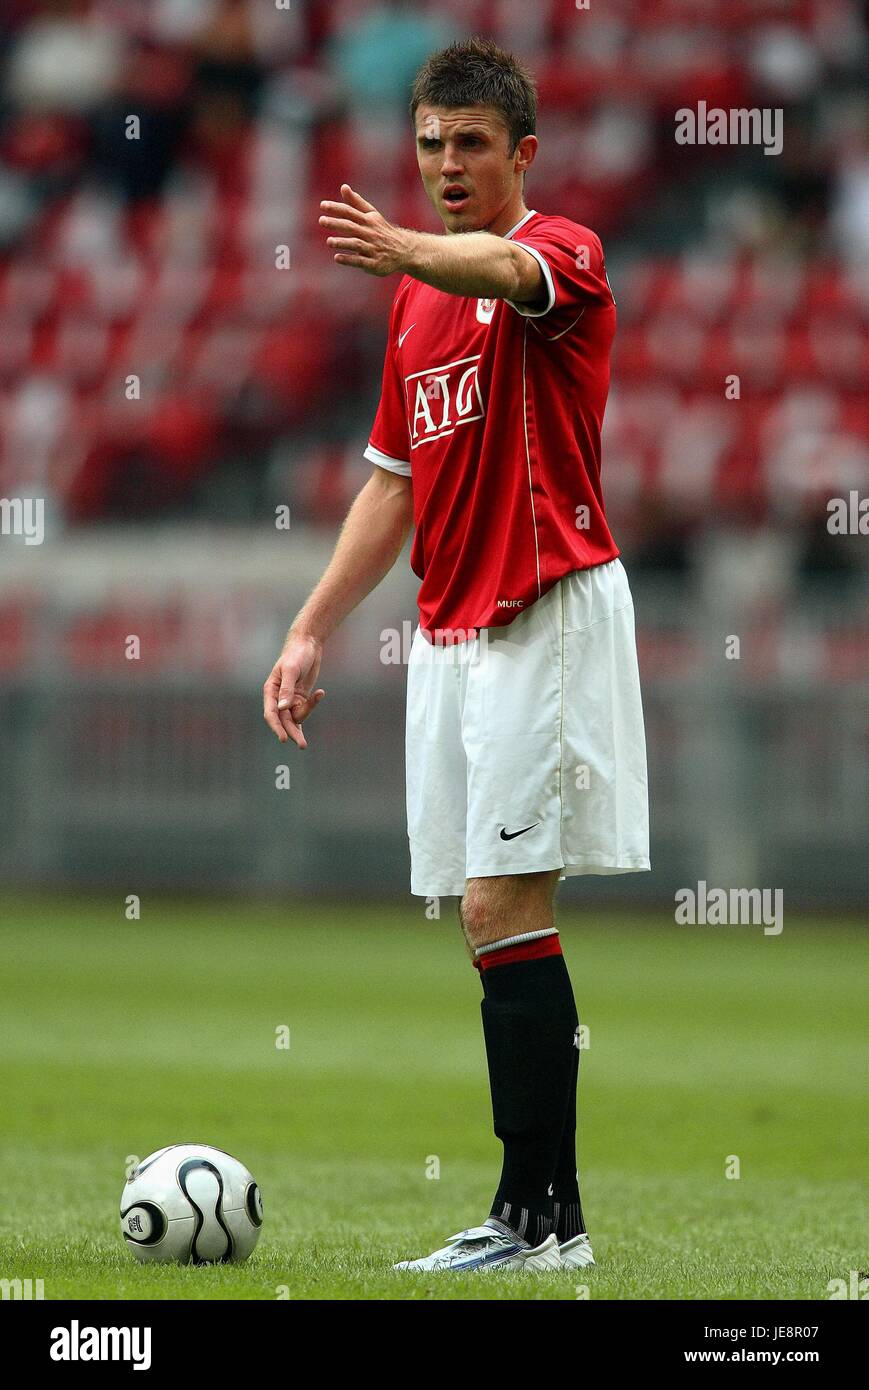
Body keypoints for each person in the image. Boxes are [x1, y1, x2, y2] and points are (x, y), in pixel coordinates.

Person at [263, 36, 650, 1274]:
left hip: (547, 606)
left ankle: (530, 1222)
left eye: (470, 143)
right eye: (430, 142)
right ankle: (551, 1218)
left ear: (520, 153)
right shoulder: (415, 298)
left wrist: (411, 246)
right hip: (450, 627)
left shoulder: (560, 252)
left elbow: (501, 266)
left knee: (501, 900)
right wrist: (311, 624)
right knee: (483, 920)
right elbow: (391, 484)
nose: (444, 164)